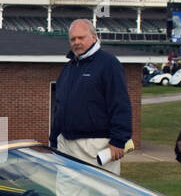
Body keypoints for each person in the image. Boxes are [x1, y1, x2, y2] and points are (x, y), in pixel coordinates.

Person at [50, 18, 133, 174]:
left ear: (94, 37)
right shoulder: (68, 68)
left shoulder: (109, 64)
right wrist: (54, 139)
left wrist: (118, 141)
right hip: (66, 145)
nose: (76, 42)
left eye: (81, 38)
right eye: (73, 39)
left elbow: (120, 104)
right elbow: (60, 108)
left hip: (96, 147)